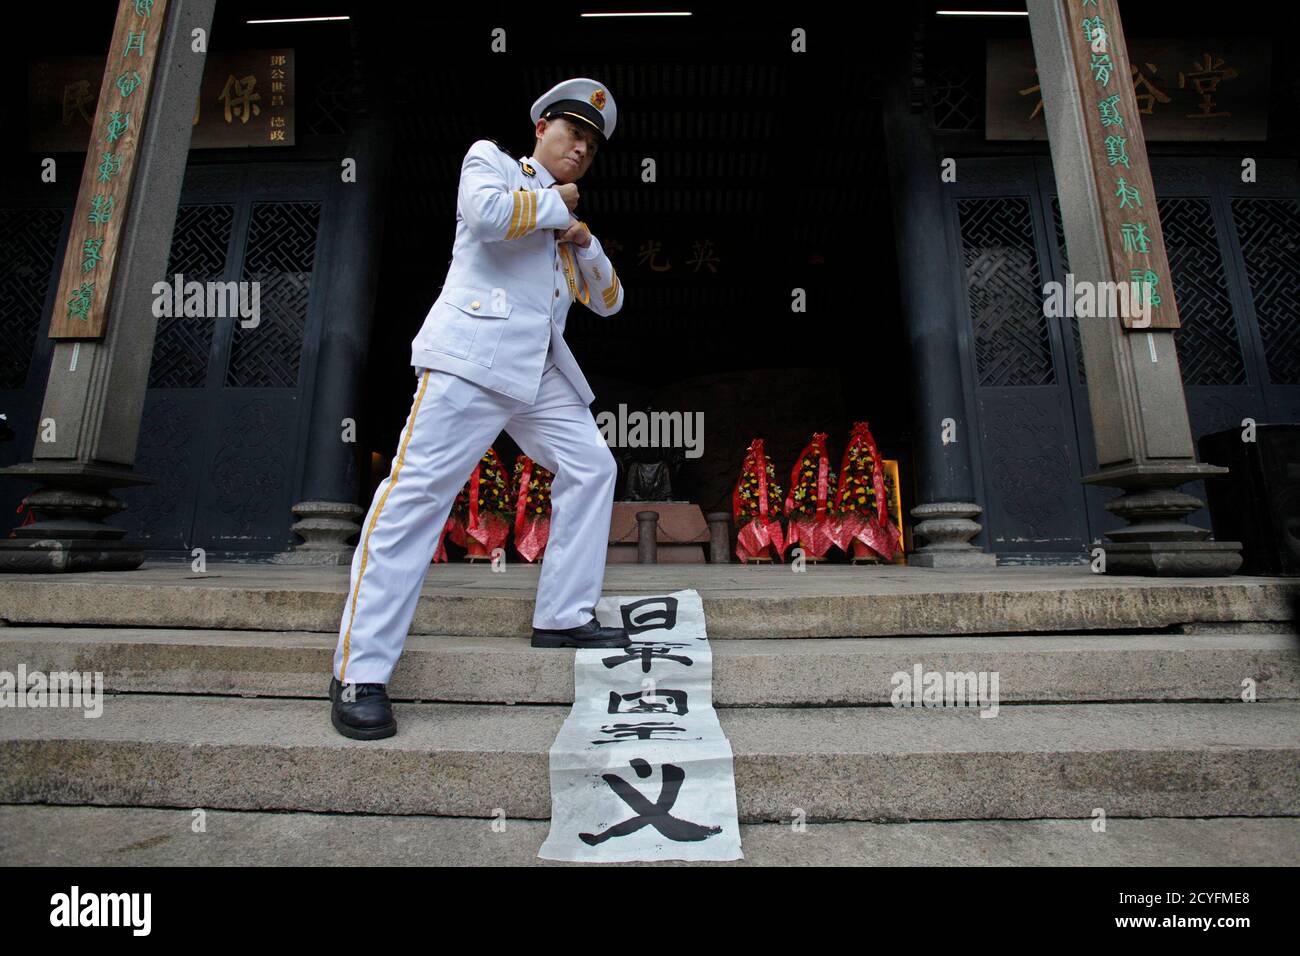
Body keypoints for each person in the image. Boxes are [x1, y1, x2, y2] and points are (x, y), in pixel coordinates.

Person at [329, 78, 628, 740]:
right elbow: (490, 218)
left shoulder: (563, 220)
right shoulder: (491, 162)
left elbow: (609, 301)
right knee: (415, 499)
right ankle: (361, 670)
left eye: (591, 144)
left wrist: (582, 240)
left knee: (592, 465)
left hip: (539, 373)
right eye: (572, 132)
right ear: (542, 127)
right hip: (470, 358)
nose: (580, 148)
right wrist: (555, 206)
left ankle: (563, 614)